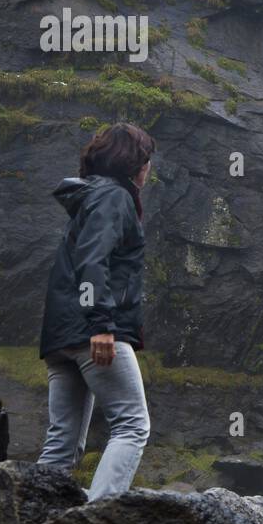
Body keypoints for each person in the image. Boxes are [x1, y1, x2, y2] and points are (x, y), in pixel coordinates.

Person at [36, 122, 154, 501]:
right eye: (147, 159)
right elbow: (94, 260)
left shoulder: (89, 197)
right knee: (132, 426)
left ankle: (29, 518)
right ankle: (98, 519)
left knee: (63, 444)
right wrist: (102, 324)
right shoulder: (114, 197)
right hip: (95, 332)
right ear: (134, 163)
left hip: (62, 338)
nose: (149, 168)